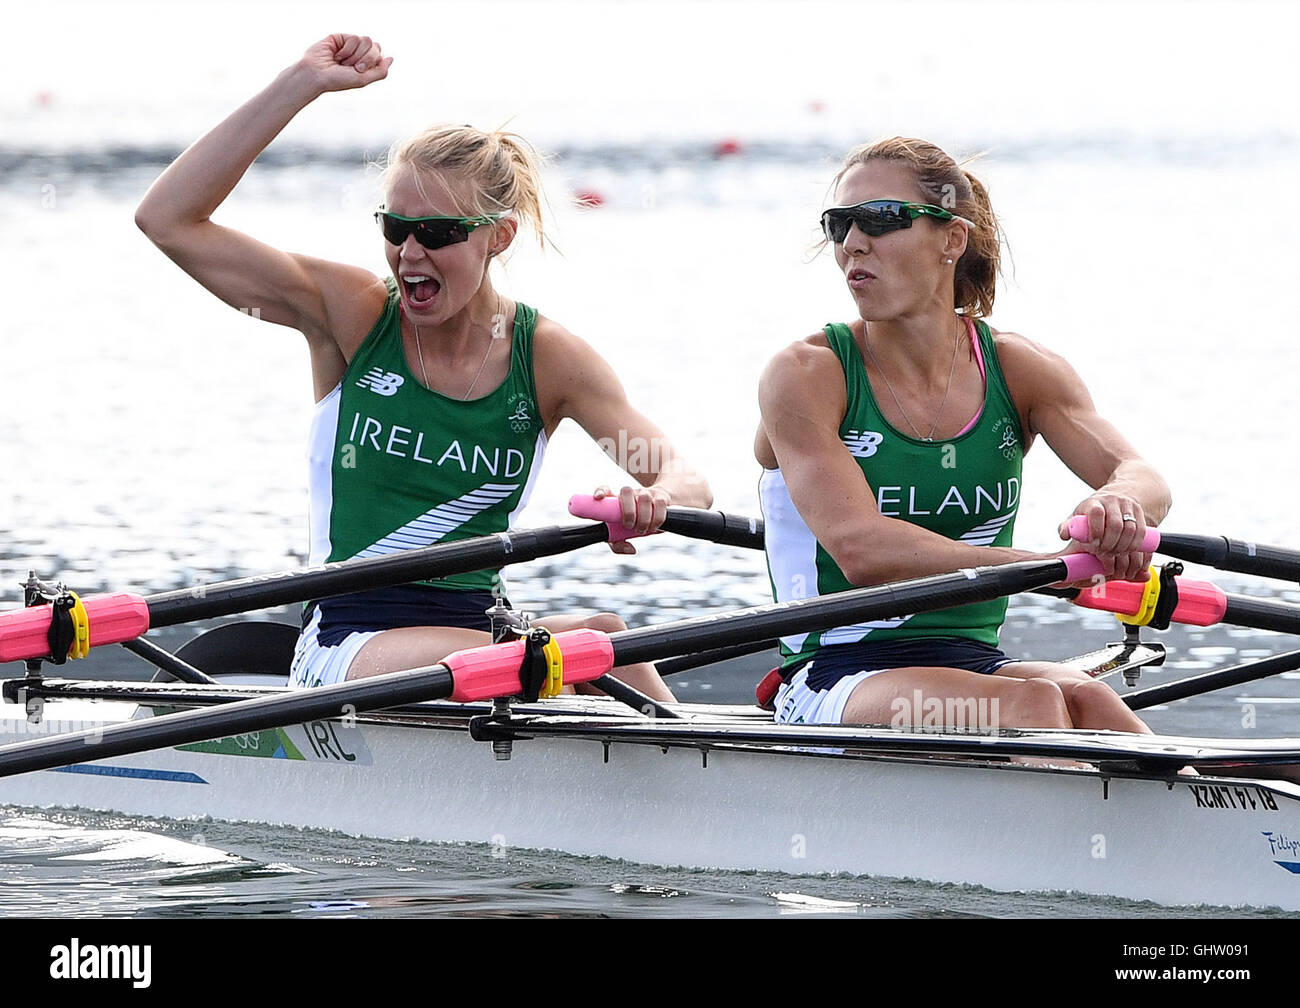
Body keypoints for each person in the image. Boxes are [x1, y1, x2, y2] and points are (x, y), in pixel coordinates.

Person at [135, 34, 709, 700]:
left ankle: (706, 785)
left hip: (485, 631)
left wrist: (656, 499)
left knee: (608, 634)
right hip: (346, 637)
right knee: (559, 654)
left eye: (436, 233)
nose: (410, 252)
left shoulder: (548, 357)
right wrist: (301, 84)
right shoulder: (349, 315)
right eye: (395, 227)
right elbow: (168, 219)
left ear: (497, 238)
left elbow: (684, 477)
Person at [754, 136, 1171, 732]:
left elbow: (1145, 477)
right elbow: (863, 551)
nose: (851, 243)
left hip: (972, 661)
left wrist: (1119, 504)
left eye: (880, 218)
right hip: (831, 675)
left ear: (952, 239)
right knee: (1033, 705)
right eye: (839, 223)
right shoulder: (806, 374)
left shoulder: (1018, 368)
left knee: (1089, 701)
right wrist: (1051, 568)